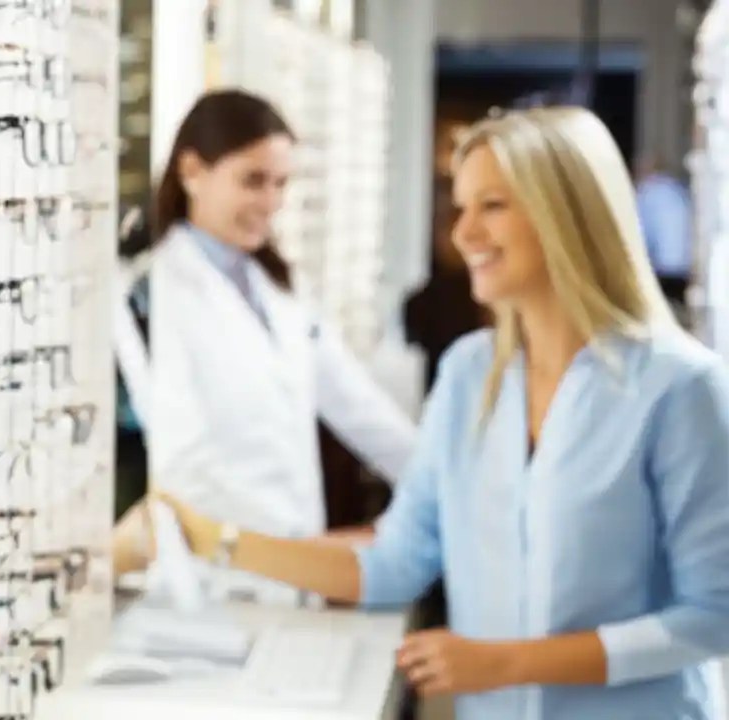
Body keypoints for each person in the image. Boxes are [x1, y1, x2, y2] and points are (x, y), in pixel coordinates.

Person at [142, 106, 729, 719]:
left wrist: (506, 662)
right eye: (461, 205)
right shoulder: (468, 376)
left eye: (493, 206)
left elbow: (714, 616)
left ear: (567, 214)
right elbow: (395, 563)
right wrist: (210, 539)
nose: (463, 233)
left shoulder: (679, 388)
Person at [112, 90, 418, 581]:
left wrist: (443, 490)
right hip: (211, 576)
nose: (271, 202)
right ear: (192, 172)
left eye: (281, 183)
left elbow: (359, 409)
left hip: (296, 563)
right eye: (253, 181)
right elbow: (180, 453)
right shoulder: (148, 295)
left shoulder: (280, 289)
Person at [634, 156, 694, 314]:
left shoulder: (646, 192)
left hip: (661, 268)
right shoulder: (679, 191)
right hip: (684, 267)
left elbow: (641, 233)